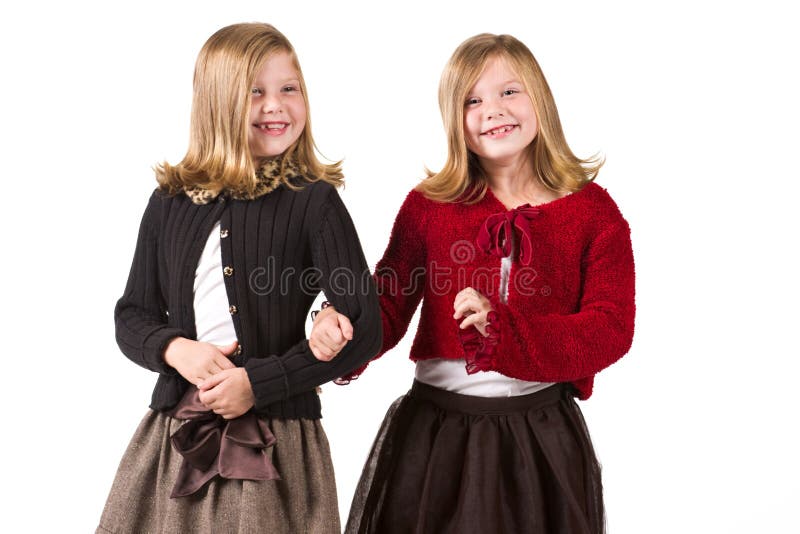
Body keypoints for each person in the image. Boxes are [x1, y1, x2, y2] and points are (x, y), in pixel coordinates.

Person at [310, 33, 635, 534]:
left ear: (540, 99)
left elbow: (609, 328)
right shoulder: (427, 207)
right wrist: (337, 324)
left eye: (510, 91)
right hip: (438, 433)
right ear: (454, 119)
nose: (493, 110)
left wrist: (503, 330)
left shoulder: (593, 212)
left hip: (542, 436)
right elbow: (389, 301)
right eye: (472, 99)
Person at [97, 22, 382, 534]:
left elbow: (364, 326)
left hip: (277, 443)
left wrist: (259, 382)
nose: (276, 106)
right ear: (216, 102)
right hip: (176, 435)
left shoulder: (313, 201)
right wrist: (175, 349)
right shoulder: (170, 202)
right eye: (256, 92)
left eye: (288, 89)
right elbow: (132, 315)